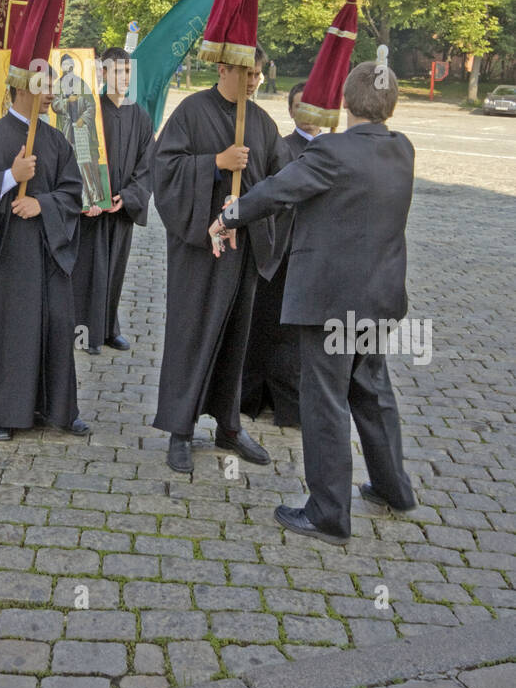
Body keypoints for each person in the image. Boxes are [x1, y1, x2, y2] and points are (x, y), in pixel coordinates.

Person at [209, 62, 417, 545]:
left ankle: (328, 512)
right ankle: (393, 487)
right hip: (378, 296)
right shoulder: (401, 149)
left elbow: (277, 192)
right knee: (371, 390)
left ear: (346, 101)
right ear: (392, 106)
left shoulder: (330, 150)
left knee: (325, 402)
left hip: (329, 299)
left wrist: (229, 217)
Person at [152, 45, 289, 474]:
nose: (253, 82)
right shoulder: (191, 112)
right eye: (247, 74)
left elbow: (282, 179)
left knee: (236, 336)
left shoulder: (262, 124)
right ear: (223, 67)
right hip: (199, 253)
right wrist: (215, 164)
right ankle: (180, 427)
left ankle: (229, 425)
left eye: (258, 75)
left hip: (242, 251)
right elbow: (164, 170)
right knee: (191, 332)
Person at [0, 68, 87, 441]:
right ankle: (1, 411)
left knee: (55, 326)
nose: (51, 94)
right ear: (19, 88)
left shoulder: (57, 141)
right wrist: (10, 177)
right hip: (4, 260)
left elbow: (73, 194)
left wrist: (42, 204)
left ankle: (58, 408)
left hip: (46, 255)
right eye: (44, 86)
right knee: (6, 332)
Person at [241, 81, 320, 427]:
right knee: (269, 325)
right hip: (282, 250)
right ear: (290, 111)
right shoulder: (283, 148)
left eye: (314, 105)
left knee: (300, 335)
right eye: (300, 106)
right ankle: (256, 396)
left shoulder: (334, 149)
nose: (308, 113)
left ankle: (292, 401)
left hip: (317, 253)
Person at [73, 47, 153, 355]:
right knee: (90, 270)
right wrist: (87, 195)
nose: (123, 78)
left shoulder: (140, 117)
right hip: (93, 208)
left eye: (127, 72)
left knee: (115, 271)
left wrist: (130, 196)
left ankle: (108, 329)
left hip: (121, 208)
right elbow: (79, 156)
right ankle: (85, 333)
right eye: (117, 71)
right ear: (104, 73)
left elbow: (148, 165)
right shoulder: (89, 112)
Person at [51, 52, 103, 207]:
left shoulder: (81, 84)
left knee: (85, 162)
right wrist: (67, 102)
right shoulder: (58, 85)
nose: (68, 68)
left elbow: (91, 105)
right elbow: (54, 104)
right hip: (67, 129)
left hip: (82, 130)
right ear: (61, 67)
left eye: (70, 64)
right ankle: (70, 197)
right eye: (65, 65)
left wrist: (82, 119)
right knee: (68, 163)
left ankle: (90, 197)